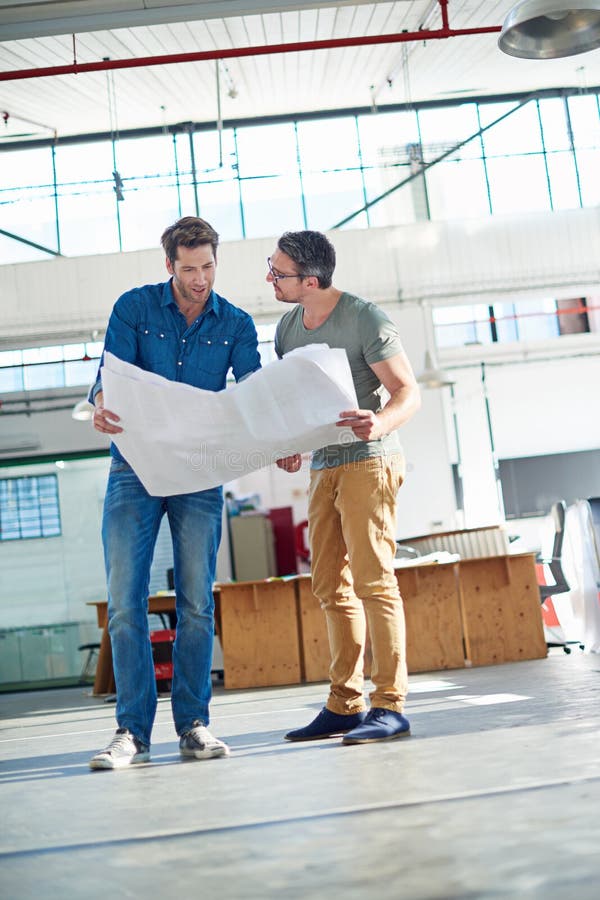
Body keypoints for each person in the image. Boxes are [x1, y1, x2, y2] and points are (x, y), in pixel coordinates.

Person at [89, 216, 261, 769]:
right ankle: (131, 734)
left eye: (208, 267)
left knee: (196, 604)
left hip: (199, 472)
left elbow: (254, 395)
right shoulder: (134, 308)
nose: (200, 279)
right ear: (169, 265)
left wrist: (279, 437)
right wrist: (101, 404)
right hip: (134, 468)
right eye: (189, 269)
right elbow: (110, 376)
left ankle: (193, 725)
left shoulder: (235, 323)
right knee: (124, 604)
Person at [269, 230, 421, 745]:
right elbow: (298, 399)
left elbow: (407, 392)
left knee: (374, 583)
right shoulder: (287, 328)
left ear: (310, 280)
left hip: (369, 460)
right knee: (329, 586)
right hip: (323, 463)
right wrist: (292, 442)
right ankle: (345, 704)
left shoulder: (365, 319)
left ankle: (390, 705)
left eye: (278, 273)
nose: (270, 279)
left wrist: (379, 423)